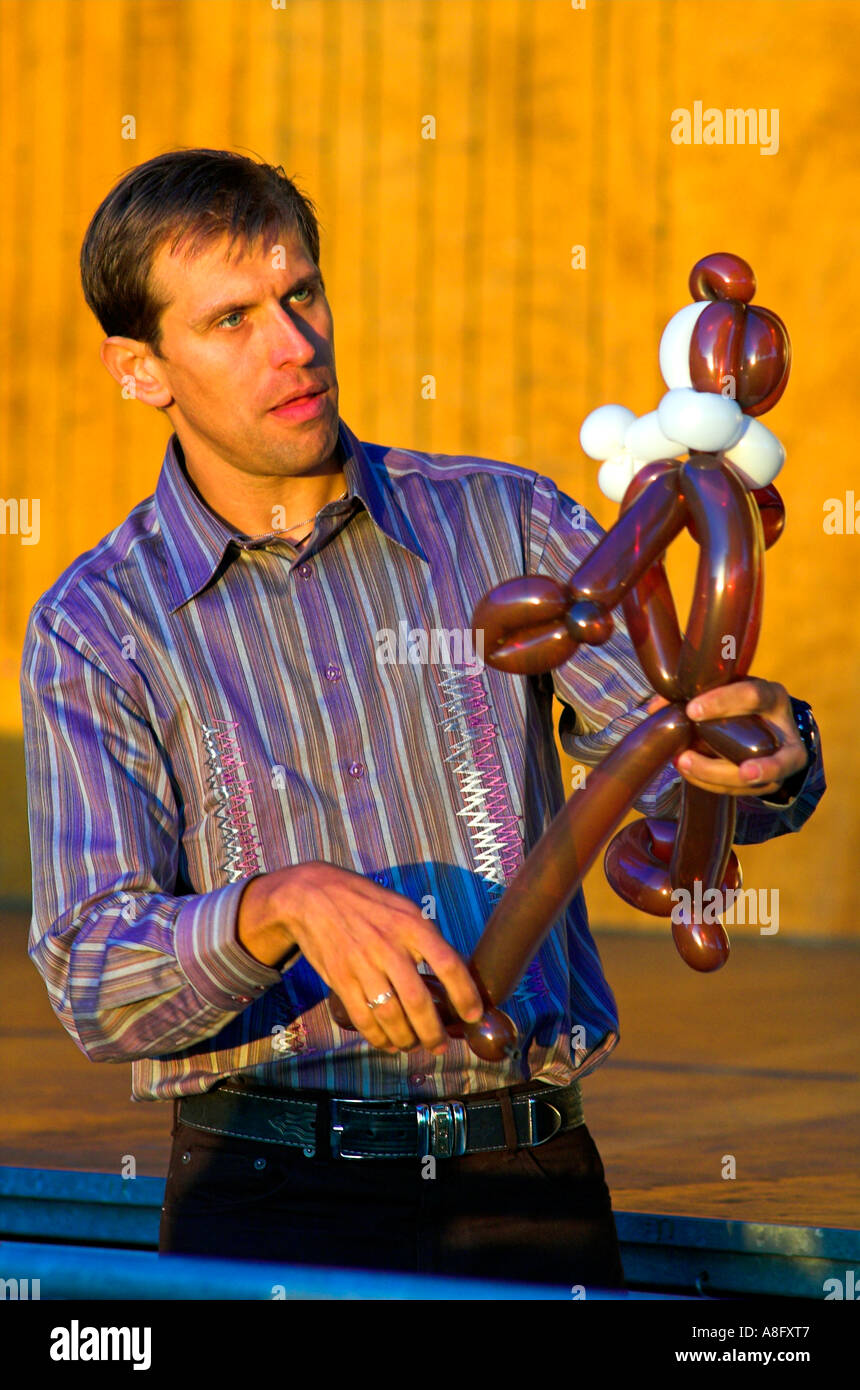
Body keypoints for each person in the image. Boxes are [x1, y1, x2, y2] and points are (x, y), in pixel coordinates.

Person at [20, 148, 825, 1291]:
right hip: (262, 1207)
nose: (293, 346)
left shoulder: (502, 521)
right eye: (231, 320)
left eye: (301, 295)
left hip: (528, 1186)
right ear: (138, 368)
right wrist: (273, 908)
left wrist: (758, 756)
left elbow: (662, 776)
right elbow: (95, 978)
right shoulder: (95, 627)